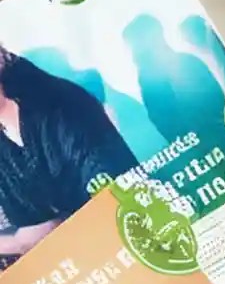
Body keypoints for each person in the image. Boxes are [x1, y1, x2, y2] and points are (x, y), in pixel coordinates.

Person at [0, 46, 138, 267]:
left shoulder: (59, 103)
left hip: (134, 236)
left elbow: (111, 192)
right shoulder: (4, 144)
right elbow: (34, 224)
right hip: (86, 264)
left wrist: (19, 241)